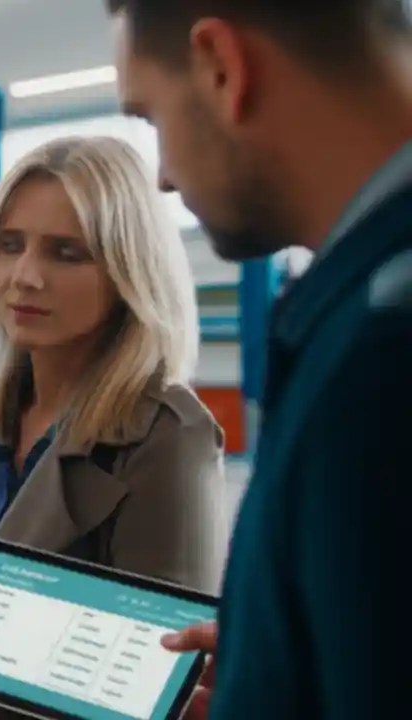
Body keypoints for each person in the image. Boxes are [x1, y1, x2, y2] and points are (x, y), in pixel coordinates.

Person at [106, 0, 412, 717]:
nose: (164, 177)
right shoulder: (358, 301)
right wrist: (273, 660)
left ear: (221, 66)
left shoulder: (386, 352)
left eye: (151, 117)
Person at [0, 136, 229, 718]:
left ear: (129, 270)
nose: (25, 277)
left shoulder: (166, 436)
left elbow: (153, 679)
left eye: (66, 253)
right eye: (9, 245)